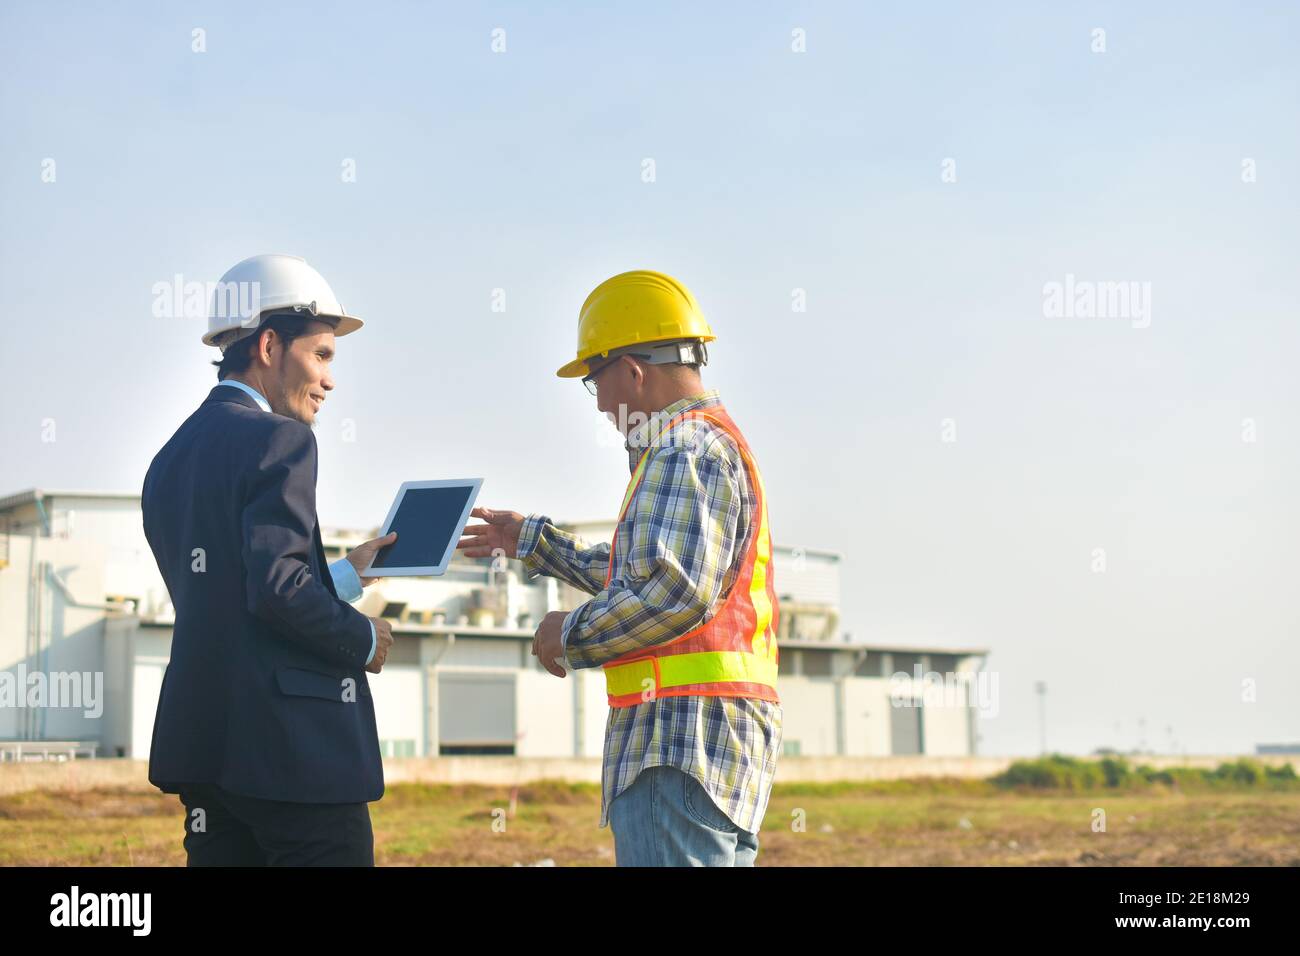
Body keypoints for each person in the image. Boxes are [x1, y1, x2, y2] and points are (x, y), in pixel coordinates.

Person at [458, 269, 782, 866]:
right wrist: (535, 542)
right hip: (709, 743)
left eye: (594, 382)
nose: (602, 405)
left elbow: (672, 591)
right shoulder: (710, 443)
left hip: (677, 743)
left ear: (632, 369)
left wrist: (569, 634)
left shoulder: (683, 449)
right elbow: (656, 568)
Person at [142, 254, 395, 866]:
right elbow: (278, 590)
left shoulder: (169, 457)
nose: (330, 380)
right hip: (293, 757)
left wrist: (342, 575)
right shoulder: (281, 439)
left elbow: (230, 594)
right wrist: (362, 637)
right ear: (270, 344)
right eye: (323, 355)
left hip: (207, 749)